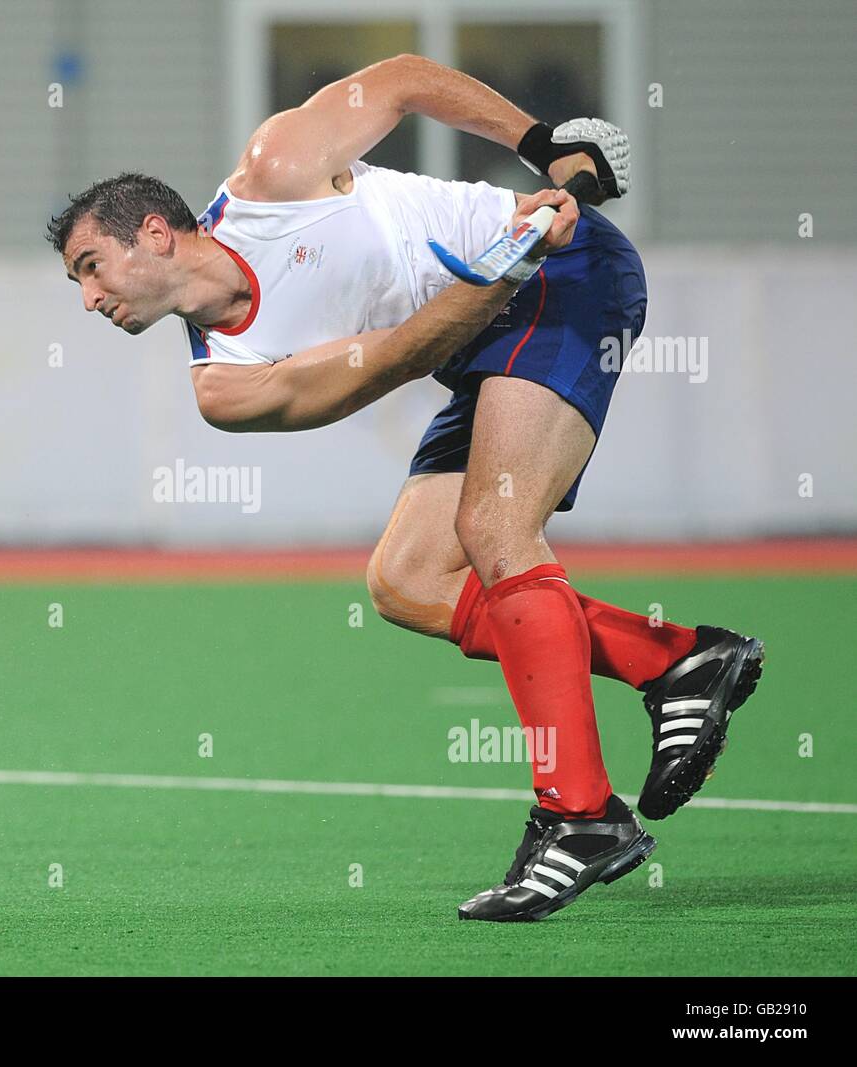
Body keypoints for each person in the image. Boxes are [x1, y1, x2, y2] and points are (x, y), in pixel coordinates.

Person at [46, 54, 763, 922]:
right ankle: (675, 659)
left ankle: (580, 814)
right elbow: (392, 360)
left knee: (497, 527)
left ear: (154, 233)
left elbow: (403, 78)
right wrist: (504, 257)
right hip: (485, 322)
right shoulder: (224, 386)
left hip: (566, 279)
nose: (87, 298)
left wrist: (542, 145)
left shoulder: (279, 169)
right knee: (407, 581)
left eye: (91, 265)